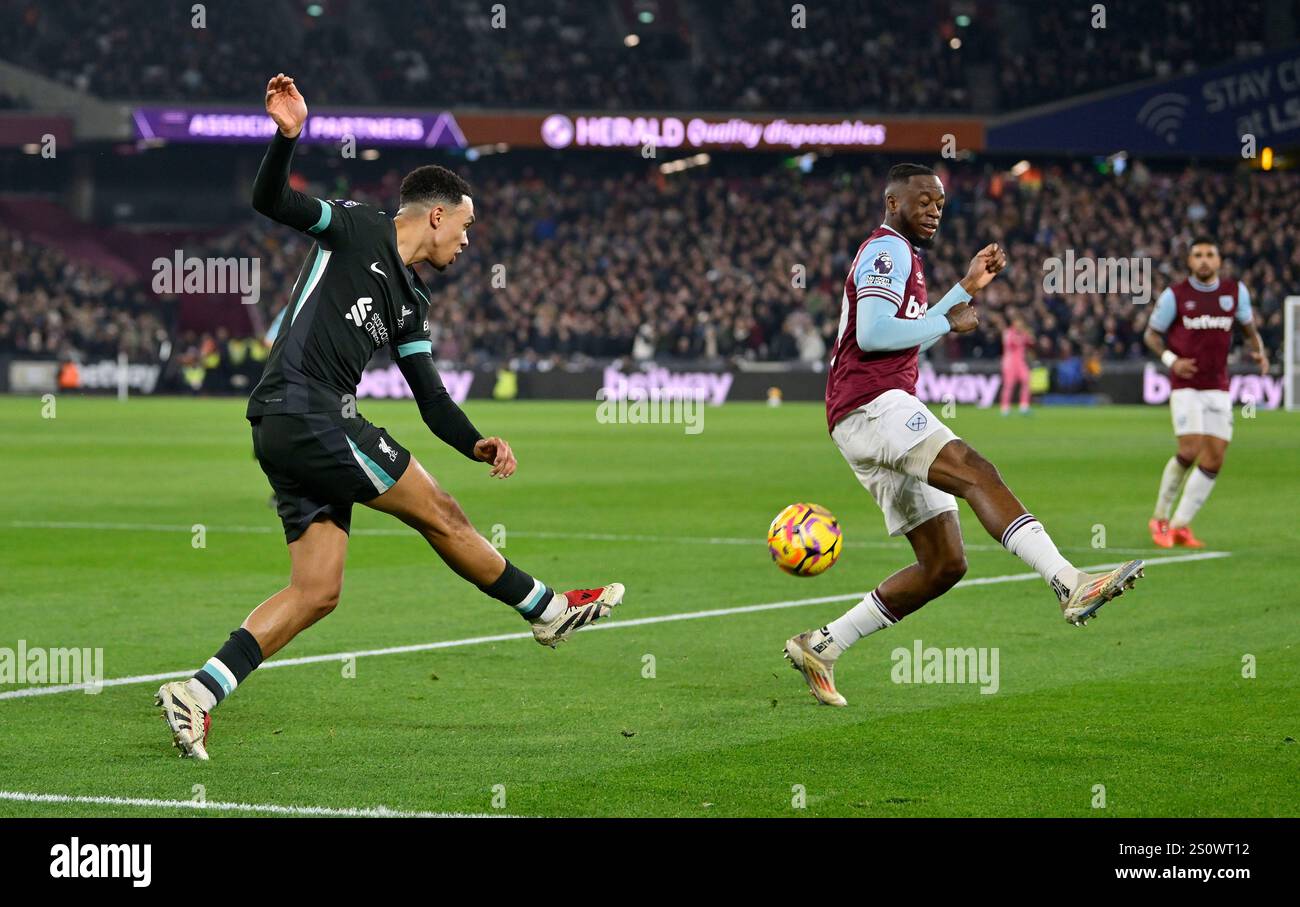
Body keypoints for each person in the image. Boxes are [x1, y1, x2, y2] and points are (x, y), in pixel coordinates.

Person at [155, 75, 624, 760]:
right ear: (436, 215)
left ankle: (197, 692)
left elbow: (430, 396)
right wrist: (287, 137)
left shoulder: (411, 301)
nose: (468, 241)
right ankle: (548, 610)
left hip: (288, 425)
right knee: (442, 511)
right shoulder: (354, 227)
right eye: (466, 226)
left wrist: (475, 440)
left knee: (317, 589)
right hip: (307, 404)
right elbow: (270, 200)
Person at [783, 163, 1145, 707]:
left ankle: (824, 644)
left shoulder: (908, 259)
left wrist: (963, 290)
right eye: (923, 201)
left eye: (940, 204)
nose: (934, 210)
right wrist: (949, 319)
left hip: (863, 415)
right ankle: (1069, 582)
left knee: (945, 563)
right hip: (873, 405)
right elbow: (875, 334)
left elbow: (904, 340)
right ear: (892, 203)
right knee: (977, 472)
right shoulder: (888, 250)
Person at [1144, 236, 1268, 548]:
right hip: (1186, 386)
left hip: (1218, 386)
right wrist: (1172, 361)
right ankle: (1159, 518)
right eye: (1197, 255)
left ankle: (1180, 525)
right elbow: (1151, 334)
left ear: (1219, 260)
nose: (1203, 260)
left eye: (1209, 254)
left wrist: (1259, 352)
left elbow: (1249, 328)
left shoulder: (1235, 292)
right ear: (1189, 261)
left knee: (1214, 457)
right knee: (1190, 448)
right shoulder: (1176, 295)